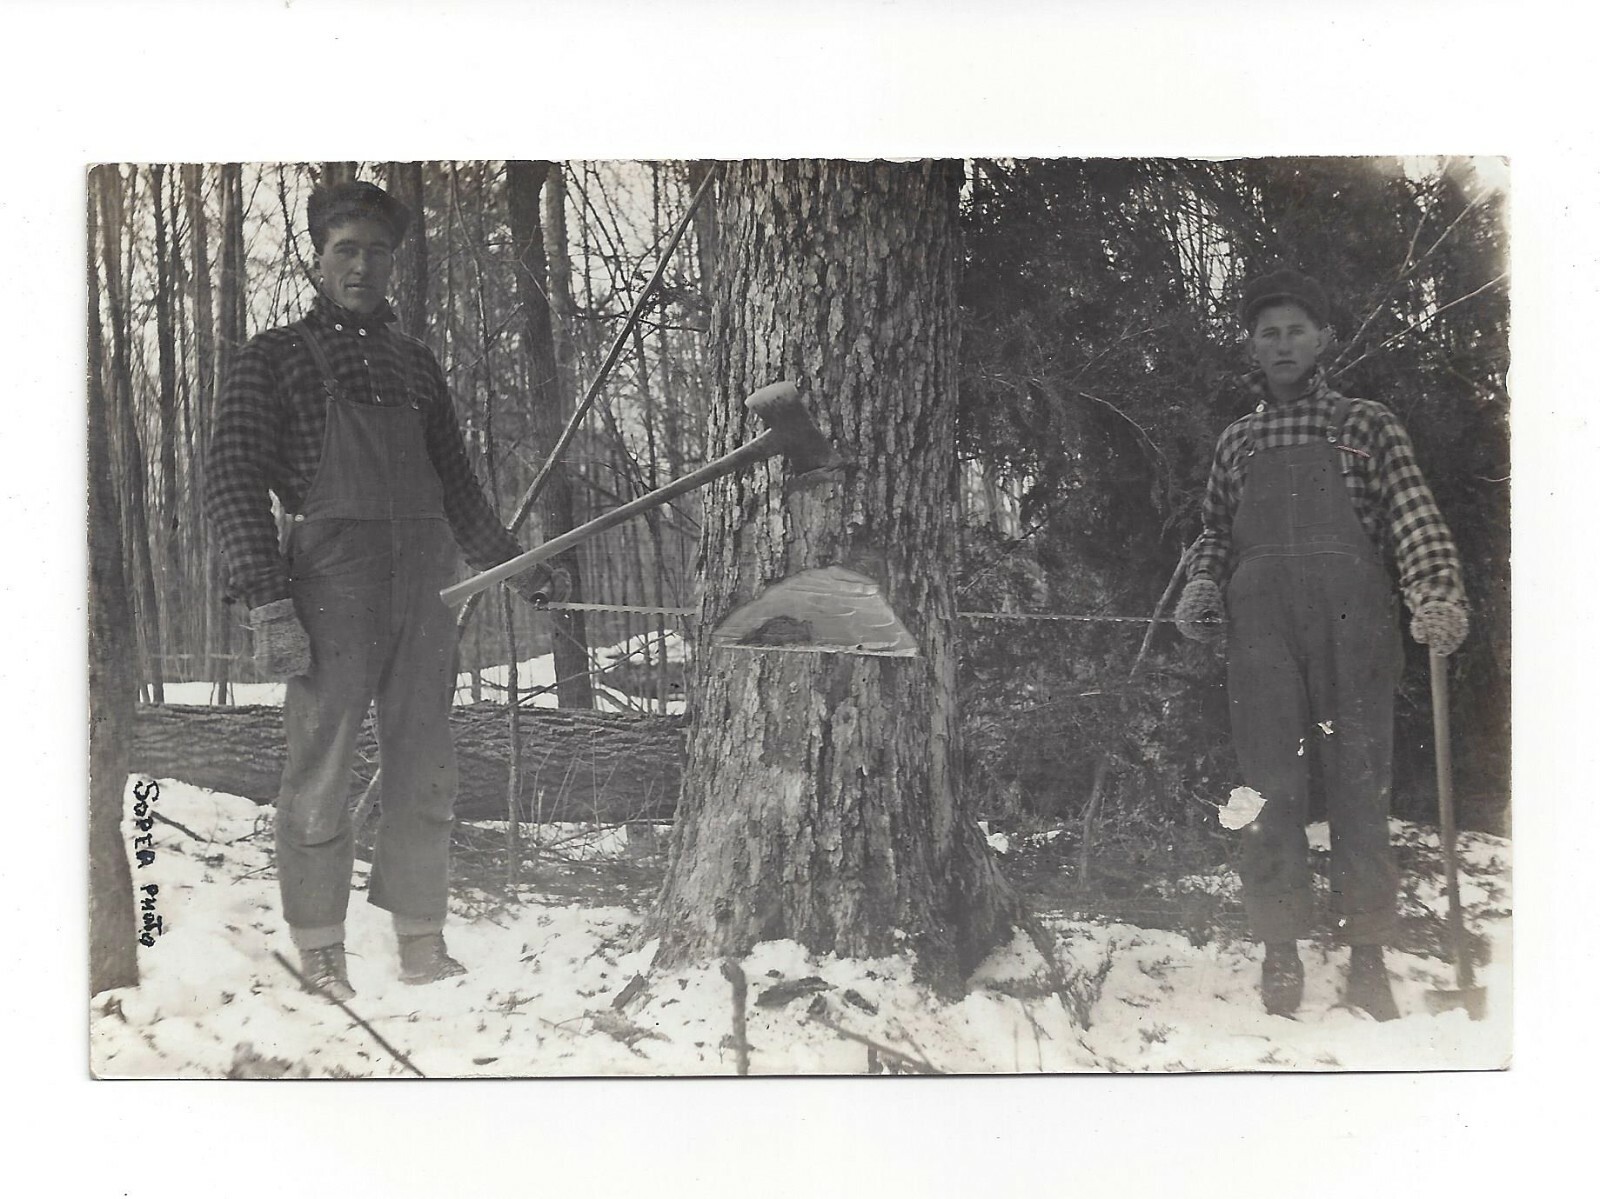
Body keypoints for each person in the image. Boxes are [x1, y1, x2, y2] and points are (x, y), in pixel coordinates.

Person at [205, 180, 566, 1001]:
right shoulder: (274, 356)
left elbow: (458, 487)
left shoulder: (415, 363)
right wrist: (266, 598)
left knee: (425, 761)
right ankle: (321, 947)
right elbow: (230, 480)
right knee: (322, 766)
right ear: (317, 257)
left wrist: (519, 565)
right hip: (328, 584)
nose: (363, 266)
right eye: (347, 250)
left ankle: (420, 939)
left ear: (394, 262)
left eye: (377, 251)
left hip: (424, 582)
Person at [1174, 268, 1468, 1021]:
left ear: (1323, 338)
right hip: (1262, 633)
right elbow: (1214, 532)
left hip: (1353, 629)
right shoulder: (1238, 441)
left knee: (1359, 788)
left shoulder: (1367, 424)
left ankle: (1368, 953)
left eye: (1295, 329)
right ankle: (1280, 949)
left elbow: (1413, 515)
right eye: (1267, 332)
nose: (1282, 344)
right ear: (1250, 346)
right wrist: (1203, 587)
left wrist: (1435, 593)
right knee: (1273, 790)